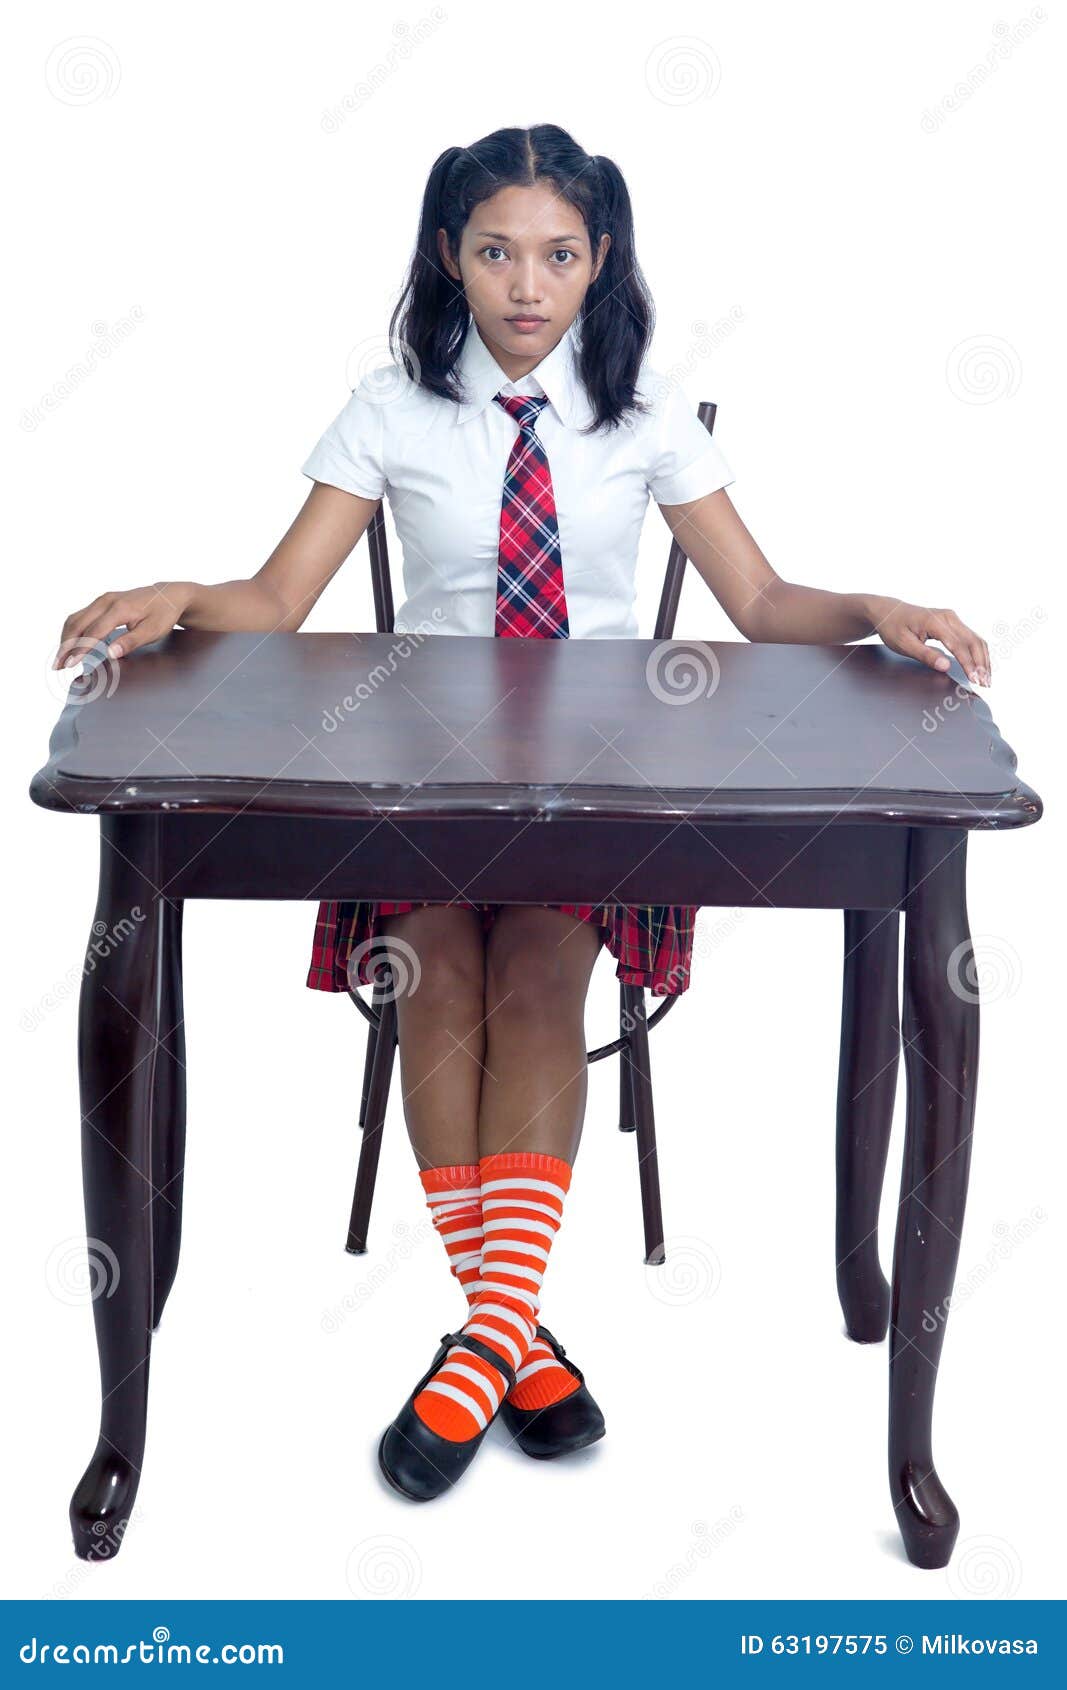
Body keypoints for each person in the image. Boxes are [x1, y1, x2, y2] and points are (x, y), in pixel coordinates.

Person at [51, 123, 991, 1503]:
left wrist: (878, 610)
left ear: (600, 259)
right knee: (435, 975)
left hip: (598, 788)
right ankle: (512, 1340)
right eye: (496, 252)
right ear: (451, 256)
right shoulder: (392, 408)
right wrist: (179, 595)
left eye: (557, 255)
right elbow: (275, 602)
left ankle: (479, 1343)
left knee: (542, 975)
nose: (527, 285)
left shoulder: (641, 414)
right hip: (415, 780)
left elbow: (763, 604)